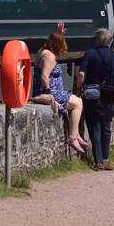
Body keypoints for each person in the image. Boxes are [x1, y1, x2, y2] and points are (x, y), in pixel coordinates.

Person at [77, 28, 114, 171]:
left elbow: (81, 74)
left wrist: (78, 88)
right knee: (106, 127)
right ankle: (106, 159)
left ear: (97, 40)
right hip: (109, 95)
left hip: (92, 96)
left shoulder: (90, 53)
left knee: (95, 127)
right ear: (110, 41)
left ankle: (98, 161)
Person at [31, 25, 87, 154]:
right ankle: (73, 137)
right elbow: (44, 76)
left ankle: (76, 134)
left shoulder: (42, 51)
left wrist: (59, 33)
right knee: (78, 103)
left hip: (51, 91)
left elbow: (53, 39)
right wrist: (49, 93)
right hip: (53, 92)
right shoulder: (50, 56)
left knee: (75, 100)